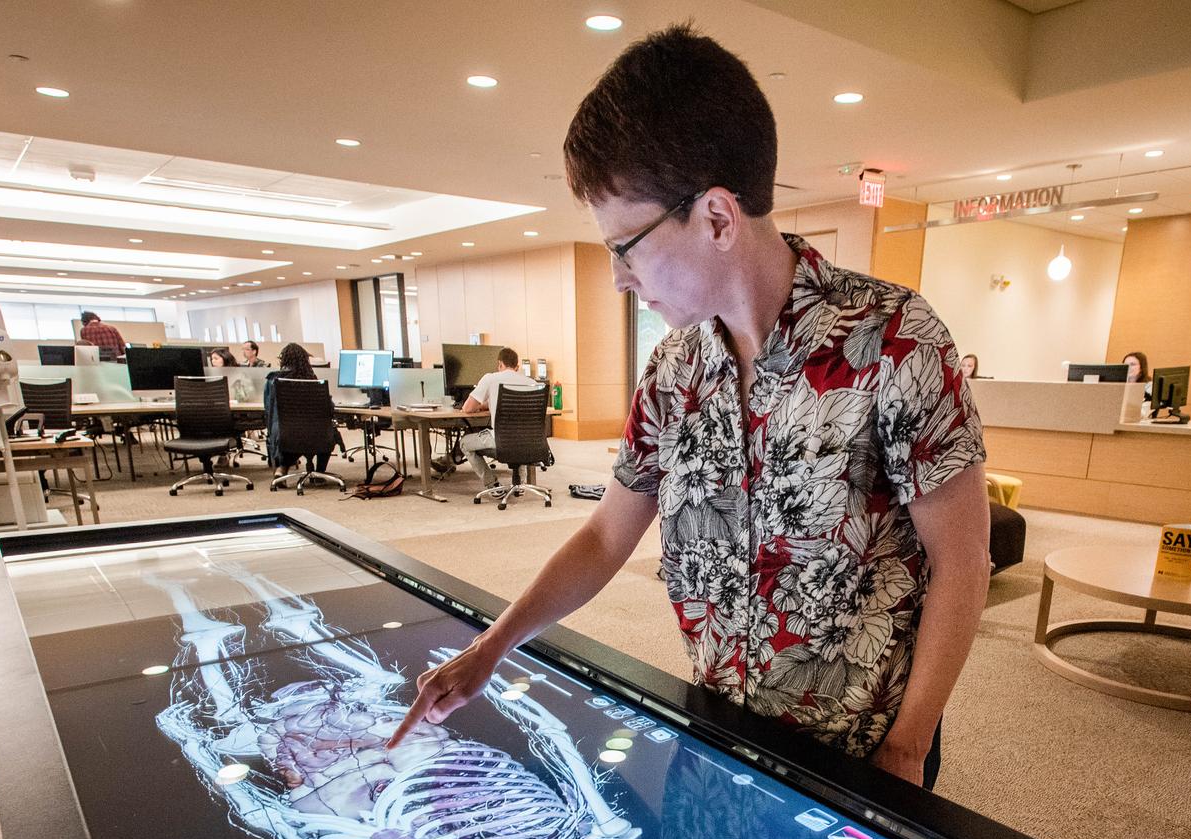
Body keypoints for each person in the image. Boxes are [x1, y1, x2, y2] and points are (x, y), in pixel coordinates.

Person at [391, 24, 990, 791]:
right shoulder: (674, 368)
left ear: (716, 218)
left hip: (860, 756)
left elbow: (963, 561)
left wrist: (905, 753)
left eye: (624, 246)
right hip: (714, 729)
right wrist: (492, 647)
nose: (619, 278)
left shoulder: (897, 341)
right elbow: (607, 537)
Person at [458, 347, 542, 488]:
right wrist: (488, 404)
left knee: (465, 442)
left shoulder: (491, 378)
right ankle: (520, 484)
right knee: (518, 438)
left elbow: (468, 408)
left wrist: (480, 405)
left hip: (502, 440)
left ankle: (492, 484)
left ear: (500, 364)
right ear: (517, 367)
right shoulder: (532, 383)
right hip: (530, 441)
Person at [263, 343, 333, 478]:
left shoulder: (274, 380)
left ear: (283, 360)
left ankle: (281, 469)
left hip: (285, 431)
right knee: (331, 432)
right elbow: (328, 407)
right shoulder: (312, 380)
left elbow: (268, 409)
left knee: (291, 436)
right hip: (317, 432)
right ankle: (320, 472)